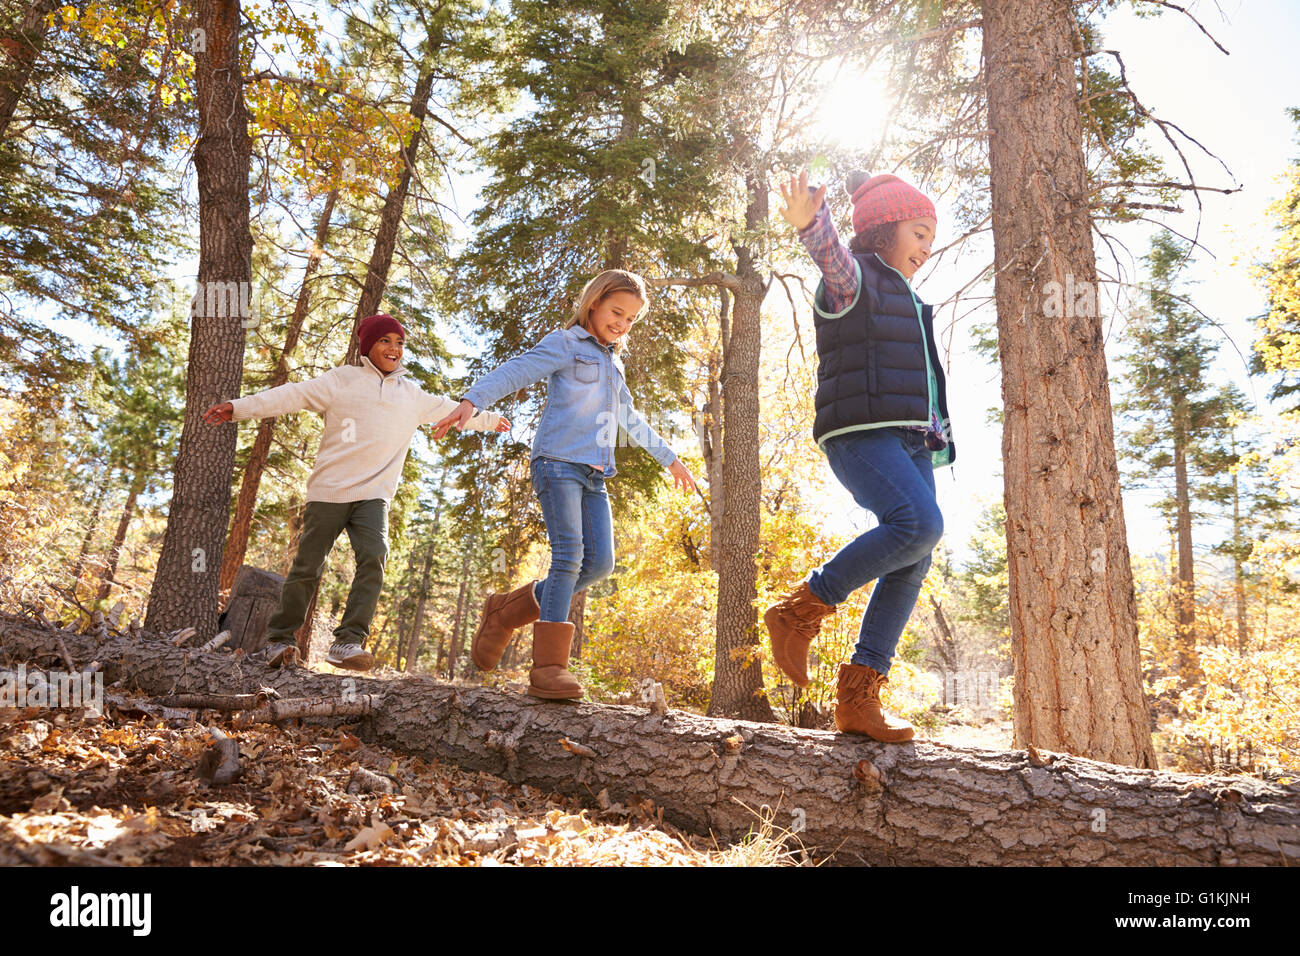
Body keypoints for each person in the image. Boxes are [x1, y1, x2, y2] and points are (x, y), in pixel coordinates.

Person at [434, 269, 696, 700]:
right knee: (569, 556)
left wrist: (671, 459)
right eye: (617, 312)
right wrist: (471, 401)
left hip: (594, 474)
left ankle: (504, 612)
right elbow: (517, 370)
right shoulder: (566, 344)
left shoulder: (614, 364)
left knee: (600, 564)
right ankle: (549, 668)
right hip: (557, 463)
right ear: (593, 302)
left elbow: (630, 419)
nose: (622, 324)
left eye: (631, 319)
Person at [766, 170, 957, 742]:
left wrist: (937, 432)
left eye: (931, 237)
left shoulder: (911, 298)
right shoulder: (857, 281)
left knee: (915, 553)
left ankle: (859, 697)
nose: (927, 248)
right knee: (919, 523)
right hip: (860, 432)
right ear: (882, 231)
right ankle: (800, 609)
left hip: (910, 438)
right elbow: (831, 260)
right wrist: (811, 224)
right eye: (918, 233)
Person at [203, 313, 509, 670]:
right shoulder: (341, 380)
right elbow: (291, 395)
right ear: (368, 346)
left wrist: (488, 420)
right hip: (329, 491)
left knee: (375, 555)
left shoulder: (412, 395)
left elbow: (453, 410)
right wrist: (238, 408)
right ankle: (279, 641)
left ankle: (347, 642)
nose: (394, 349)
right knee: (307, 567)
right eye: (385, 341)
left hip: (374, 494)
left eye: (399, 343)